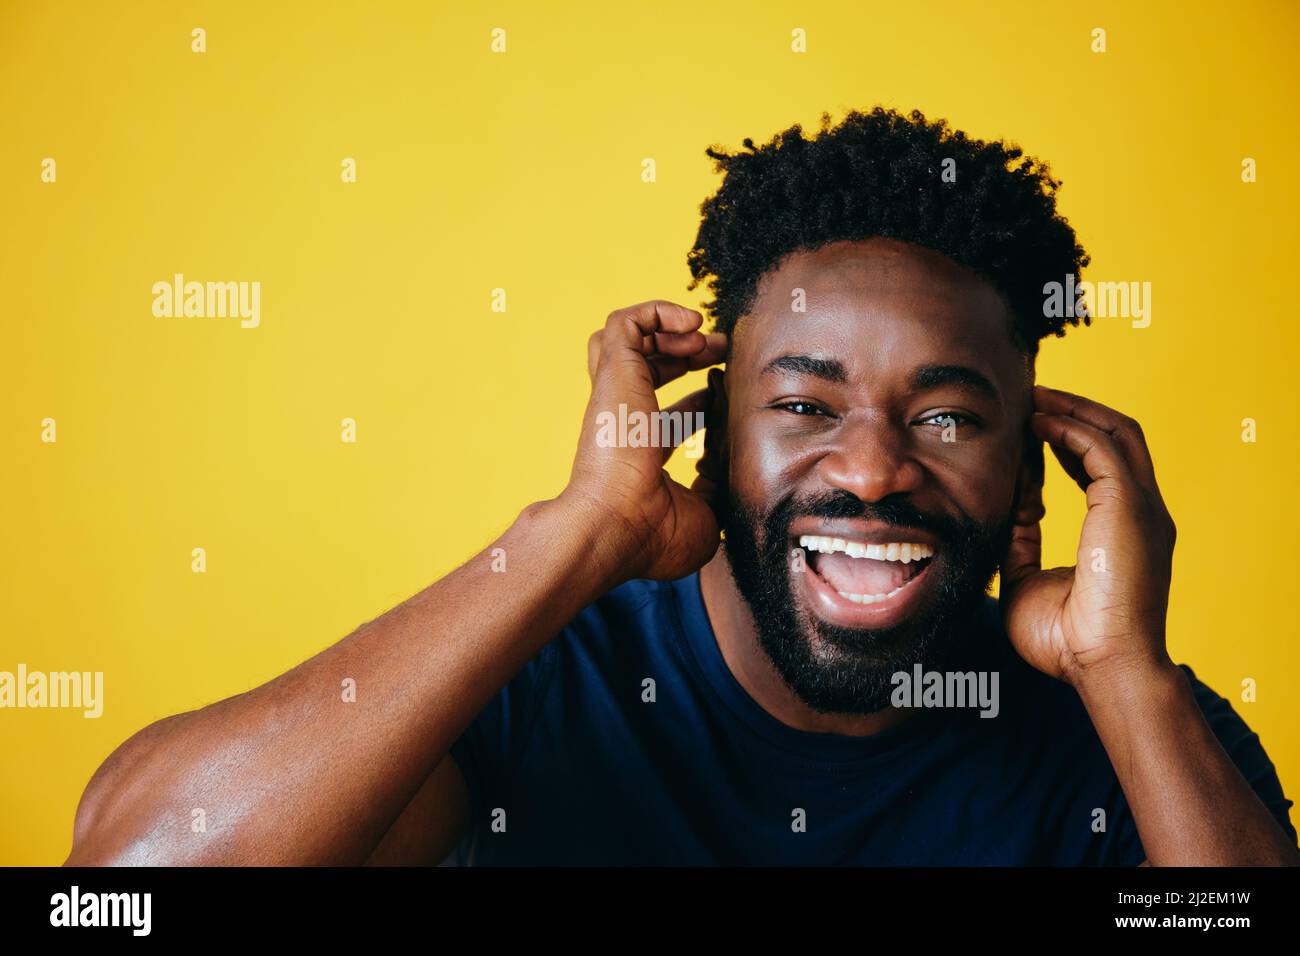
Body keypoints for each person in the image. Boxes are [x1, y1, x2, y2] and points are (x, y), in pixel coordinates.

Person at [65, 107, 1298, 866]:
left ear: (1033, 457)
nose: (870, 469)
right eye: (804, 406)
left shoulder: (1134, 735)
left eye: (945, 415)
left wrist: (1123, 676)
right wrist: (582, 530)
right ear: (708, 435)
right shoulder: (531, 676)